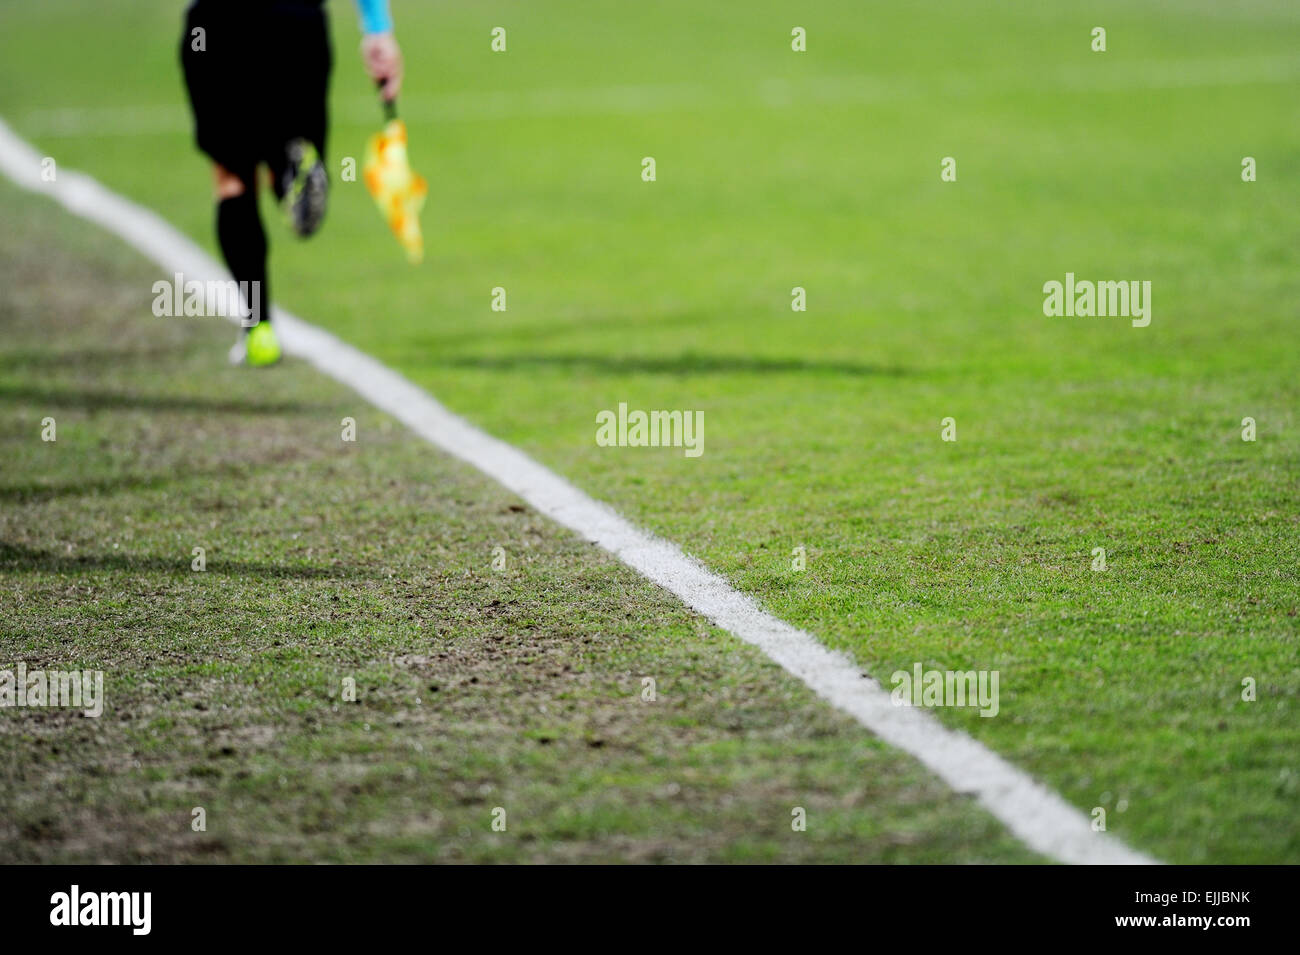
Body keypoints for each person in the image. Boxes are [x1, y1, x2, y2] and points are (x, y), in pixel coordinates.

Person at [179, 0, 403, 366]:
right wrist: (378, 29)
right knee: (289, 147)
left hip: (217, 24)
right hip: (297, 22)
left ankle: (259, 327)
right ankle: (290, 177)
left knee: (233, 178)